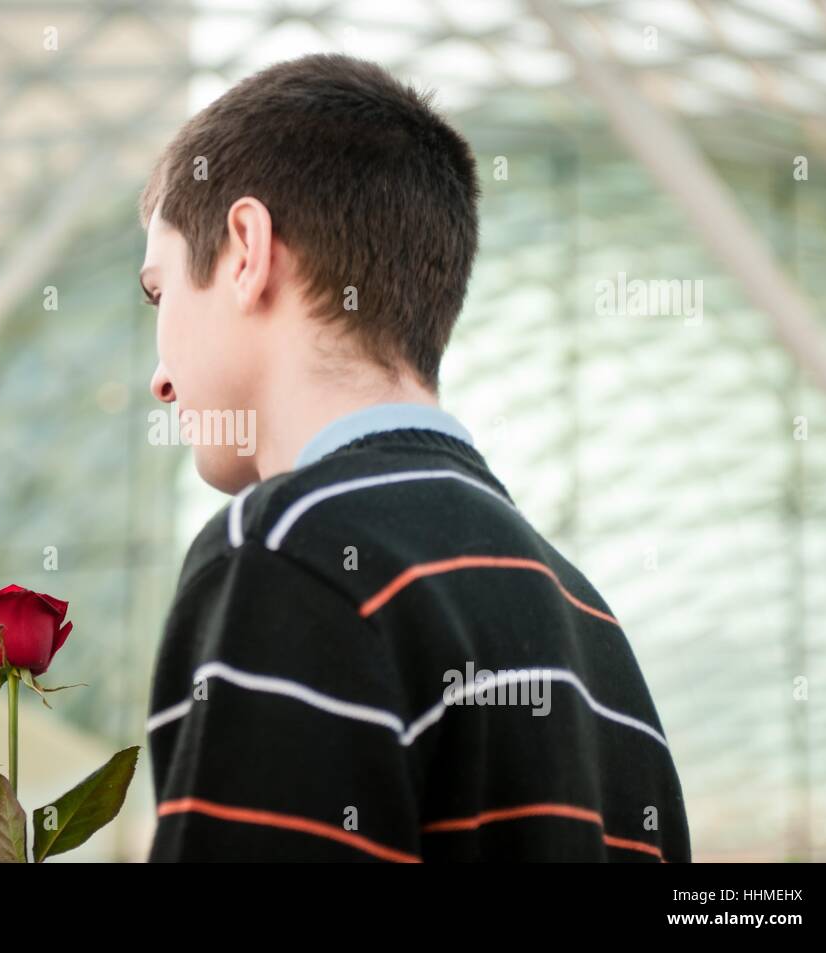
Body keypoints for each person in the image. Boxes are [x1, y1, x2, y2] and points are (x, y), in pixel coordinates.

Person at [139, 54, 691, 862]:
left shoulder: (288, 554)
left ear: (247, 249)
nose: (158, 379)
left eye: (159, 292)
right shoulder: (596, 630)